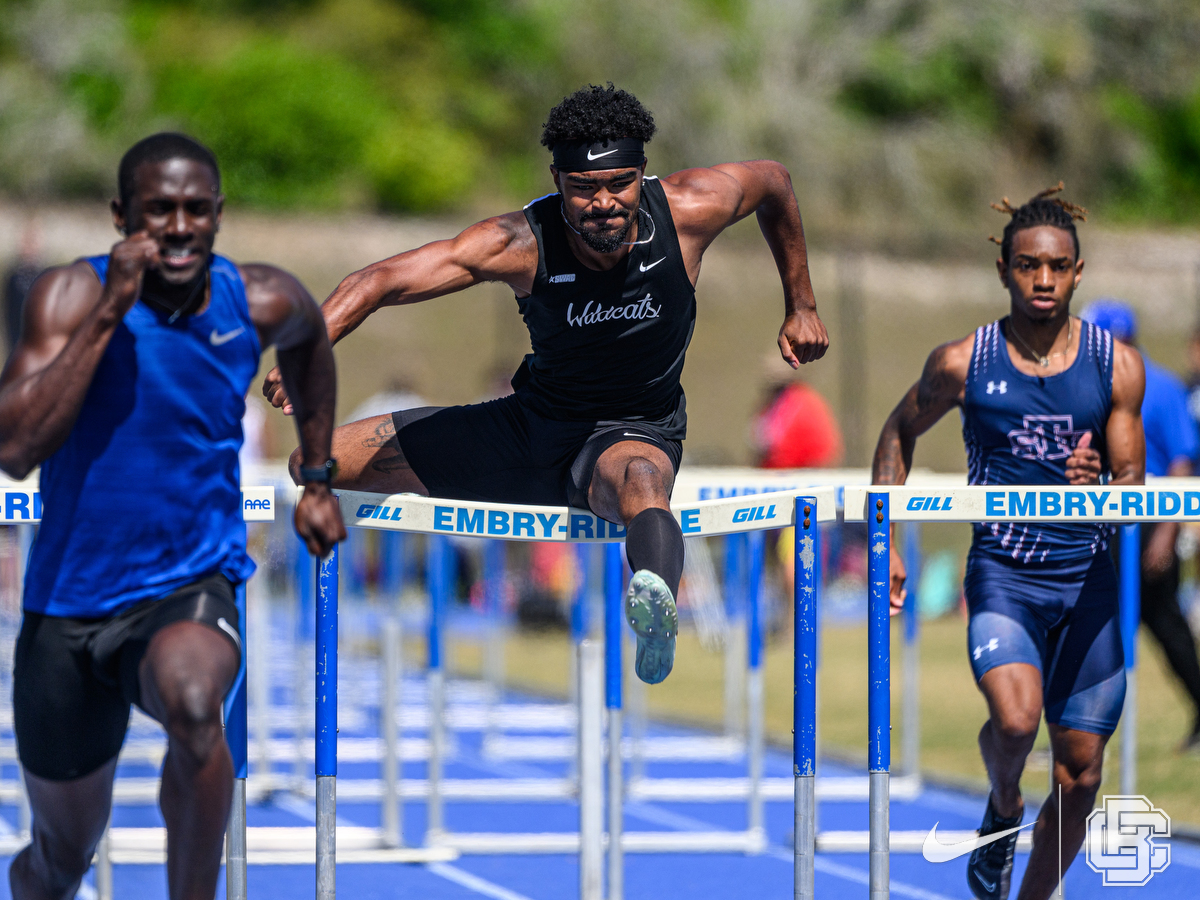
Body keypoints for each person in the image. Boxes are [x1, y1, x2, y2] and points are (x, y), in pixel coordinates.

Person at [264, 83, 829, 684]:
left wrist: (801, 304)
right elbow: (380, 280)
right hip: (527, 428)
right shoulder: (520, 242)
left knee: (641, 480)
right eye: (583, 188)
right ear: (557, 179)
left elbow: (773, 181)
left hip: (630, 433)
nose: (603, 203)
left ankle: (655, 613)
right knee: (313, 462)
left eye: (620, 183)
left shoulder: (689, 211)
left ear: (643, 172)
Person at [0, 133, 345, 900]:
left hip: (187, 580)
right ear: (121, 216)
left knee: (194, 707)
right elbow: (16, 448)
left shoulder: (258, 299)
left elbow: (310, 342)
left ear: (219, 213)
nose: (180, 227)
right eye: (159, 210)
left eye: (196, 209)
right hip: (66, 604)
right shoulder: (68, 296)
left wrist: (317, 478)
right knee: (58, 863)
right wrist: (110, 314)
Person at [872, 186, 1145, 900]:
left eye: (1057, 267)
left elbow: (1132, 483)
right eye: (1028, 266)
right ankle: (1003, 805)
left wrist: (1101, 484)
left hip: (1086, 584)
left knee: (1081, 775)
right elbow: (897, 432)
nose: (1043, 281)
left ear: (1078, 272)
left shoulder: (1116, 365)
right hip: (1006, 576)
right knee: (1017, 721)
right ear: (1004, 270)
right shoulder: (963, 362)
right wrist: (885, 543)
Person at [1081, 298, 1200, 752]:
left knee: (1168, 629)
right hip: (1104, 522)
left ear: (1120, 338)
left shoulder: (1161, 387)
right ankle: (1079, 731)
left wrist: (1168, 532)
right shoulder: (1089, 385)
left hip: (1148, 524)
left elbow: (1182, 462)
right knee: (1090, 630)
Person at [4, 220, 43, 356]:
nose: (29, 247)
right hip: (17, 338)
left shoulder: (45, 275)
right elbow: (9, 314)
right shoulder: (13, 277)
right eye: (26, 242)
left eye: (33, 242)